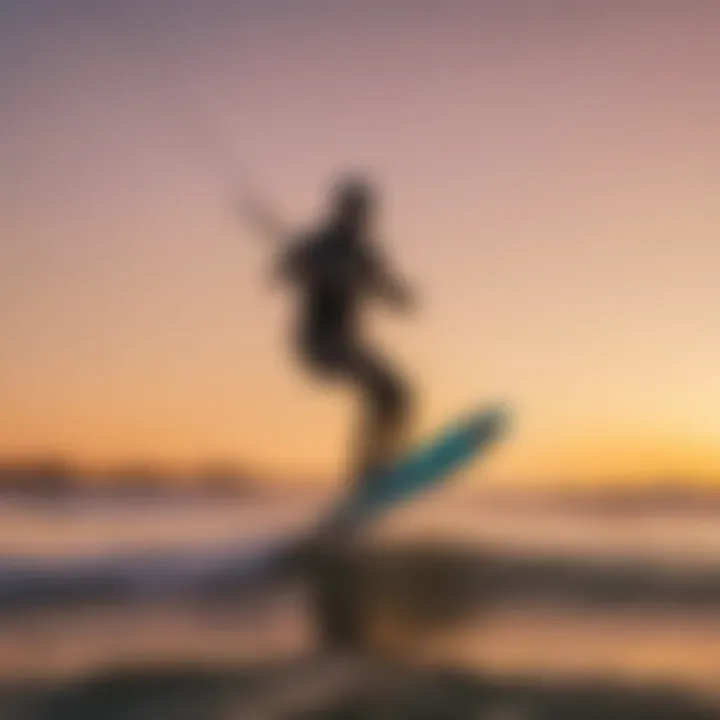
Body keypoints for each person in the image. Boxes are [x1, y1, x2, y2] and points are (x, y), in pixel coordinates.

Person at [248, 174, 417, 487]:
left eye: (363, 212)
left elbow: (394, 294)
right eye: (353, 210)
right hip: (318, 344)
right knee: (383, 387)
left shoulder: (365, 255)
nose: (359, 218)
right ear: (341, 210)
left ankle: (376, 464)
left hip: (348, 343)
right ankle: (370, 468)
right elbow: (278, 274)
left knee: (396, 392)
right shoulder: (318, 244)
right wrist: (304, 264)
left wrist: (399, 293)